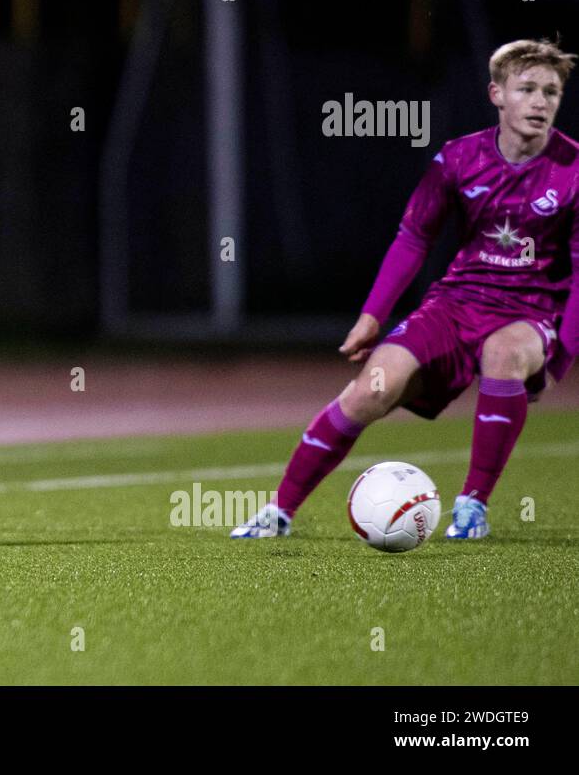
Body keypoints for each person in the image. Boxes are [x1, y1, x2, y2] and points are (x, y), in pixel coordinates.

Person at [232, 38, 579, 540]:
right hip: (455, 304)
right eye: (527, 89)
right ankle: (279, 512)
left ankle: (471, 507)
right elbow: (414, 236)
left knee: (503, 355)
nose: (541, 102)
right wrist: (373, 316)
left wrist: (560, 359)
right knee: (375, 388)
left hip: (529, 314)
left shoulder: (573, 170)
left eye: (552, 91)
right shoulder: (459, 158)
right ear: (496, 94)